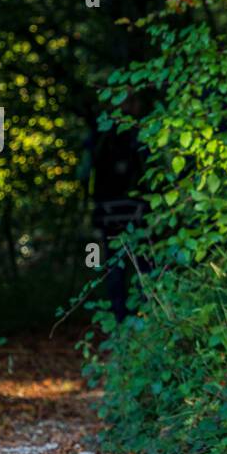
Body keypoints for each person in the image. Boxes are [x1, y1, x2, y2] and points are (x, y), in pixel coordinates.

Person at [84, 98, 147, 323]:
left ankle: (120, 320)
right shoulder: (138, 131)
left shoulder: (100, 132)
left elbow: (84, 171)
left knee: (115, 267)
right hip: (136, 210)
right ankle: (144, 318)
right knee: (143, 265)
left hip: (108, 211)